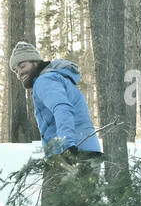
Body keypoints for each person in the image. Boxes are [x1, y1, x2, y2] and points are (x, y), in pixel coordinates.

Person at [9, 42, 103, 190]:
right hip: (87, 152)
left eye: (22, 66)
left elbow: (62, 108)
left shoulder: (44, 81)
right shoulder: (57, 78)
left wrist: (67, 146)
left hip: (70, 155)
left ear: (35, 62)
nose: (19, 73)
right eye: (15, 70)